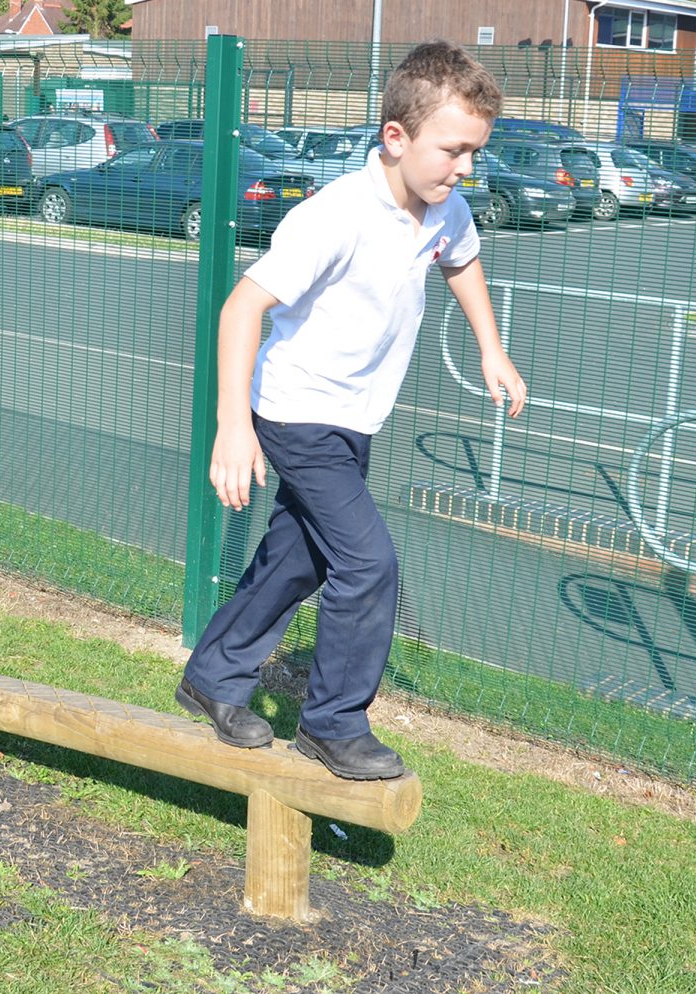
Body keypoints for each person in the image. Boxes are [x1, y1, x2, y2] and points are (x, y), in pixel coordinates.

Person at [176, 40, 526, 781]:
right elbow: (243, 307)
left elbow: (463, 261)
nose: (465, 167)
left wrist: (491, 349)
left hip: (355, 418)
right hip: (297, 411)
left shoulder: (443, 208)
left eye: (474, 153)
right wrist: (233, 427)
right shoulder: (334, 217)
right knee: (368, 564)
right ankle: (333, 724)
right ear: (396, 138)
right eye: (454, 149)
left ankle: (211, 676)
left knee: (296, 561)